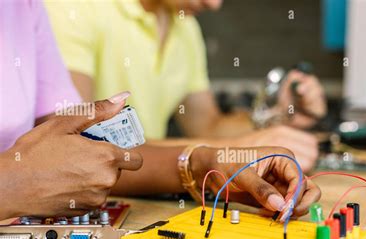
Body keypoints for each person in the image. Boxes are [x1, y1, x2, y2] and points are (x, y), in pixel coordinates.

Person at [0, 1, 320, 221]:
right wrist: (12, 184)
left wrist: (206, 164)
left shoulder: (25, 7)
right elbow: (70, 156)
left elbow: (73, 154)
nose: (215, 5)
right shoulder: (71, 9)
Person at [45, 0, 327, 172]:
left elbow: (208, 128)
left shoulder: (185, 28)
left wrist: (279, 114)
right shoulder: (73, 7)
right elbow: (74, 142)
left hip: (144, 199)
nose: (214, 4)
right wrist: (226, 151)